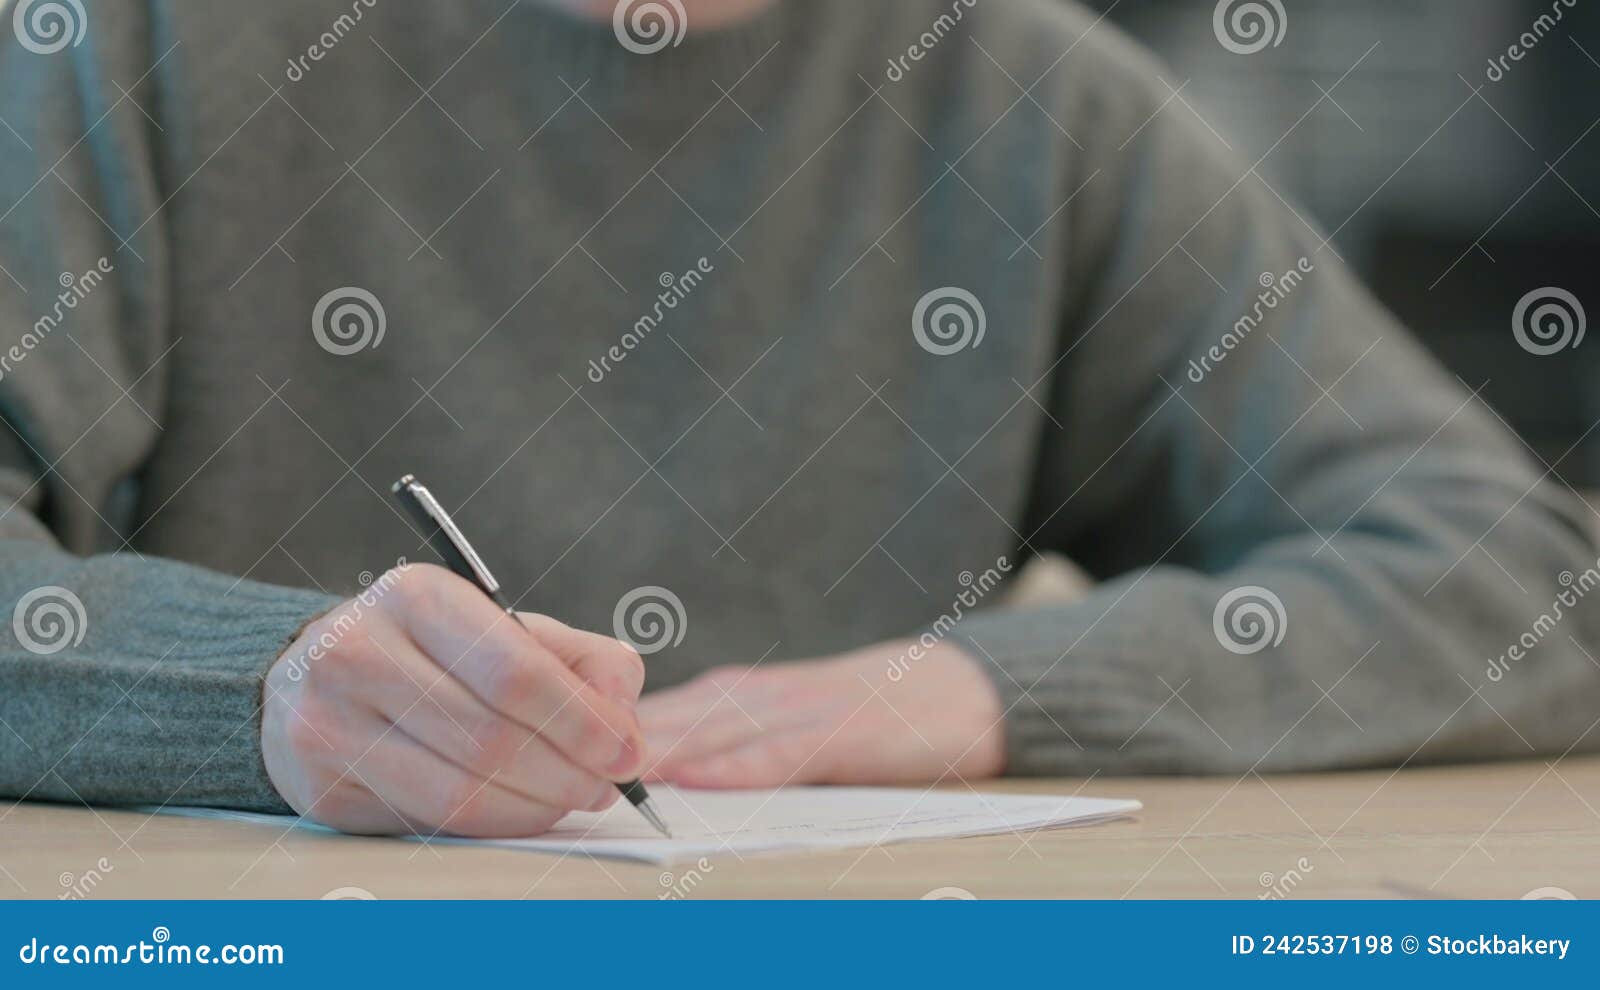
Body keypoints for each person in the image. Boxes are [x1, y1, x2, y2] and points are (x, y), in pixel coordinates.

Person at [1, 0, 1596, 838]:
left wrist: (980, 688)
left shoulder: (1032, 99)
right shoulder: (138, 39)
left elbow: (1528, 582)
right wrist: (258, 697)